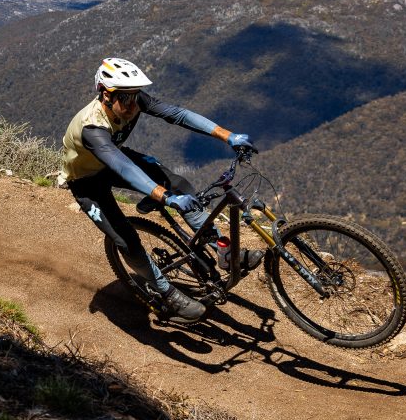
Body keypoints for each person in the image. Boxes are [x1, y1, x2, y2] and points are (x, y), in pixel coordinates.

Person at [62, 57, 264, 323]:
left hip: (114, 161)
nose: (133, 105)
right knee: (126, 239)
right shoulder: (92, 128)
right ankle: (166, 293)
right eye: (126, 99)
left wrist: (227, 136)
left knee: (179, 183)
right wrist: (164, 197)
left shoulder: (132, 100)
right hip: (87, 181)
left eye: (136, 97)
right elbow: (124, 168)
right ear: (106, 96)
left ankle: (224, 253)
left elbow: (178, 115)